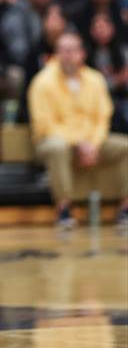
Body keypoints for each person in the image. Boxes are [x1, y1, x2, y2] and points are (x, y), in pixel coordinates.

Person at [28, 31, 128, 228]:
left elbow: (102, 118)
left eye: (73, 50)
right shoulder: (42, 82)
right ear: (56, 54)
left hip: (92, 142)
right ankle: (64, 208)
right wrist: (79, 143)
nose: (68, 55)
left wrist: (92, 144)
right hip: (51, 142)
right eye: (63, 51)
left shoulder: (95, 79)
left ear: (82, 53)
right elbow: (45, 125)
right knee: (58, 148)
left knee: (125, 146)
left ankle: (125, 207)